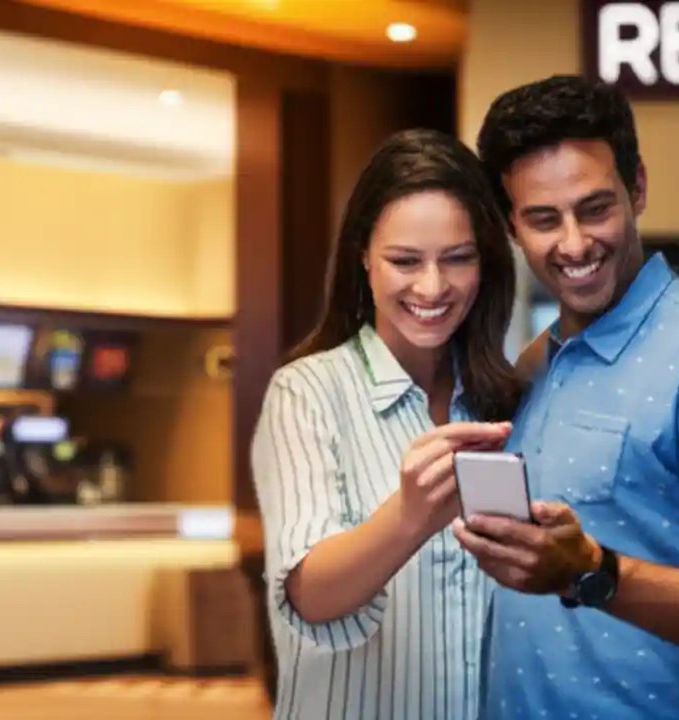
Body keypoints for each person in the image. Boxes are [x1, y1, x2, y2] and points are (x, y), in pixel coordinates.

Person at [453, 74, 679, 719]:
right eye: (543, 219)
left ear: (638, 187)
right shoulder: (538, 365)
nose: (574, 244)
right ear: (512, 225)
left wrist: (594, 572)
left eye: (595, 208)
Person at [250, 127, 523, 720]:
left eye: (458, 258)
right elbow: (308, 595)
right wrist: (408, 517)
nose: (433, 286)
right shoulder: (307, 391)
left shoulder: (502, 401)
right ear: (364, 257)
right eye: (405, 261)